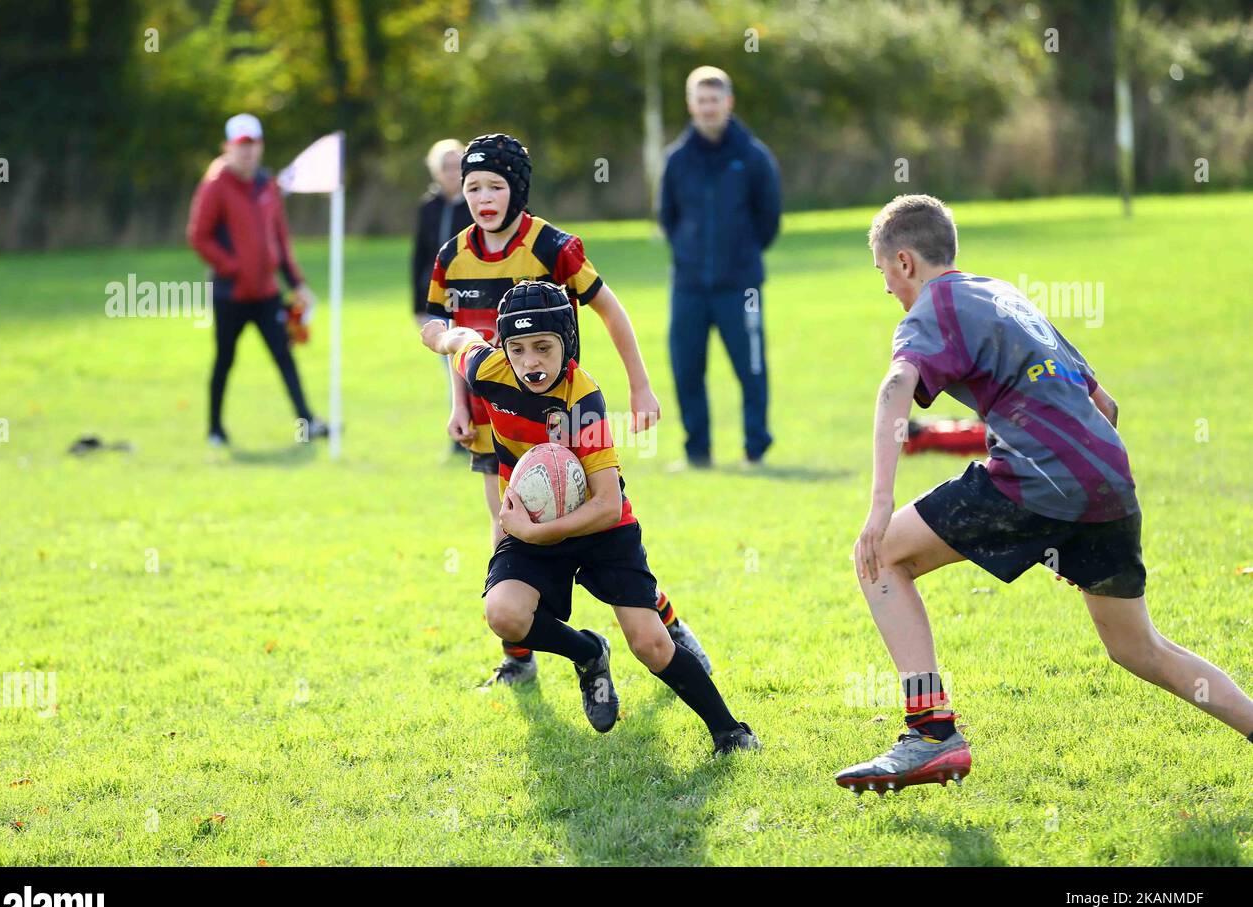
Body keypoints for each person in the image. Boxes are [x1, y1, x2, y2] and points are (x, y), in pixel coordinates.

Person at [835, 194, 1253, 794]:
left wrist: (879, 505)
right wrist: (1073, 517)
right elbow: (1104, 405)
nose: (886, 290)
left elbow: (897, 384)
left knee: (880, 556)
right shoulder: (1005, 295)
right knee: (1139, 647)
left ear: (904, 262)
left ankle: (931, 734)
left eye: (882, 274)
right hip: (1108, 480)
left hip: (1037, 478)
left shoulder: (936, 303)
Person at [421, 280, 759, 756]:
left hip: (601, 529)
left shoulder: (583, 401)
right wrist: (436, 333)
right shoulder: (488, 369)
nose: (530, 361)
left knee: (650, 644)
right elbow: (457, 341)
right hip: (535, 520)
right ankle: (588, 653)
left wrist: (535, 532)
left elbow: (605, 505)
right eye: (517, 349)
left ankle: (729, 730)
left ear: (568, 343)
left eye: (543, 347)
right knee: (504, 613)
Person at [426, 132, 710, 686]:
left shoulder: (553, 247)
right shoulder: (451, 256)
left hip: (562, 420)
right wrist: (459, 404)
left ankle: (668, 625)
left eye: (495, 186)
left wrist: (640, 387)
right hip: (494, 422)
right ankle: (519, 659)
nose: (483, 197)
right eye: (472, 186)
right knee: (504, 533)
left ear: (517, 189)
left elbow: (610, 309)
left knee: (604, 539)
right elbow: (448, 336)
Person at [659, 66, 781, 468]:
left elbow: (769, 218)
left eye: (715, 99)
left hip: (740, 285)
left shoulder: (752, 156)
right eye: (700, 99)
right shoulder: (677, 159)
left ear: (728, 103)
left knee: (751, 367)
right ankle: (698, 452)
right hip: (689, 286)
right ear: (690, 104)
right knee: (686, 369)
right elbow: (667, 216)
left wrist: (741, 256)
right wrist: (690, 255)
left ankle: (755, 450)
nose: (708, 107)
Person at [187, 113, 327, 446]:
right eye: (241, 146)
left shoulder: (268, 185)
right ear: (227, 147)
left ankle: (307, 422)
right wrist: (232, 266)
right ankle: (215, 428)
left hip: (266, 293)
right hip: (230, 294)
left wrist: (297, 284)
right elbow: (199, 236)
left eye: (252, 145)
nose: (247, 152)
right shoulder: (215, 184)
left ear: (260, 147)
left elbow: (280, 239)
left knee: (284, 354)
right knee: (225, 360)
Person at [412, 139, 475, 456]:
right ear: (435, 172)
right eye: (446, 167)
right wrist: (418, 307)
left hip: (471, 297)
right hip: (438, 300)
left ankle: (485, 429)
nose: (452, 173)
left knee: (471, 363)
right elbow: (420, 257)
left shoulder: (476, 204)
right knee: (450, 365)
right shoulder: (428, 207)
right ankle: (459, 432)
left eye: (457, 165)